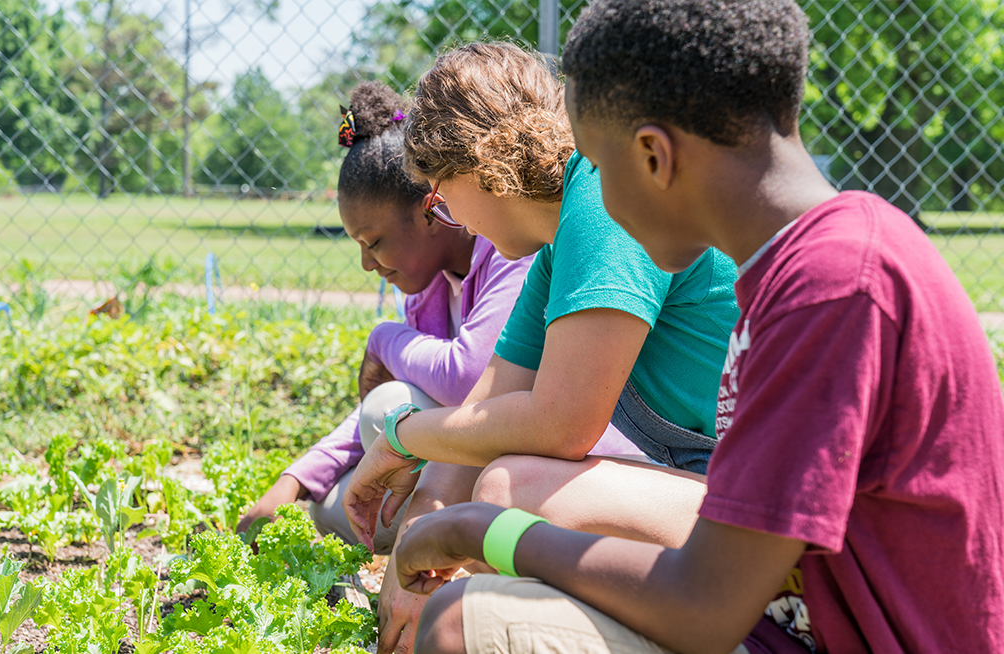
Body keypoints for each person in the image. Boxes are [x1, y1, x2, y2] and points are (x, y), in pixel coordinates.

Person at [391, 1, 1004, 652]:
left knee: (461, 626)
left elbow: (702, 605)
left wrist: (484, 532)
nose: (595, 200)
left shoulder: (835, 287)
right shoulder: (806, 263)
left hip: (844, 631)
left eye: (597, 166)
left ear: (652, 156)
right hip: (811, 602)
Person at [343, 42, 740, 652]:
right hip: (712, 486)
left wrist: (402, 438)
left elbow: (562, 424)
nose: (460, 222)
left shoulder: (607, 200)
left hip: (770, 522)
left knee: (511, 490)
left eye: (444, 196)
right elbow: (489, 408)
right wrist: (421, 535)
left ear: (484, 164)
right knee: (497, 484)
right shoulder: (558, 242)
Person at [235, 81, 535, 553]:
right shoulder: (430, 286)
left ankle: (443, 530)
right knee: (328, 505)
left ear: (431, 211)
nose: (367, 265)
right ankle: (433, 524)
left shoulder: (507, 249)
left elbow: (467, 378)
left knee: (389, 404)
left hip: (512, 463)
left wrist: (383, 339)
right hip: (459, 455)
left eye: (372, 243)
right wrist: (293, 480)